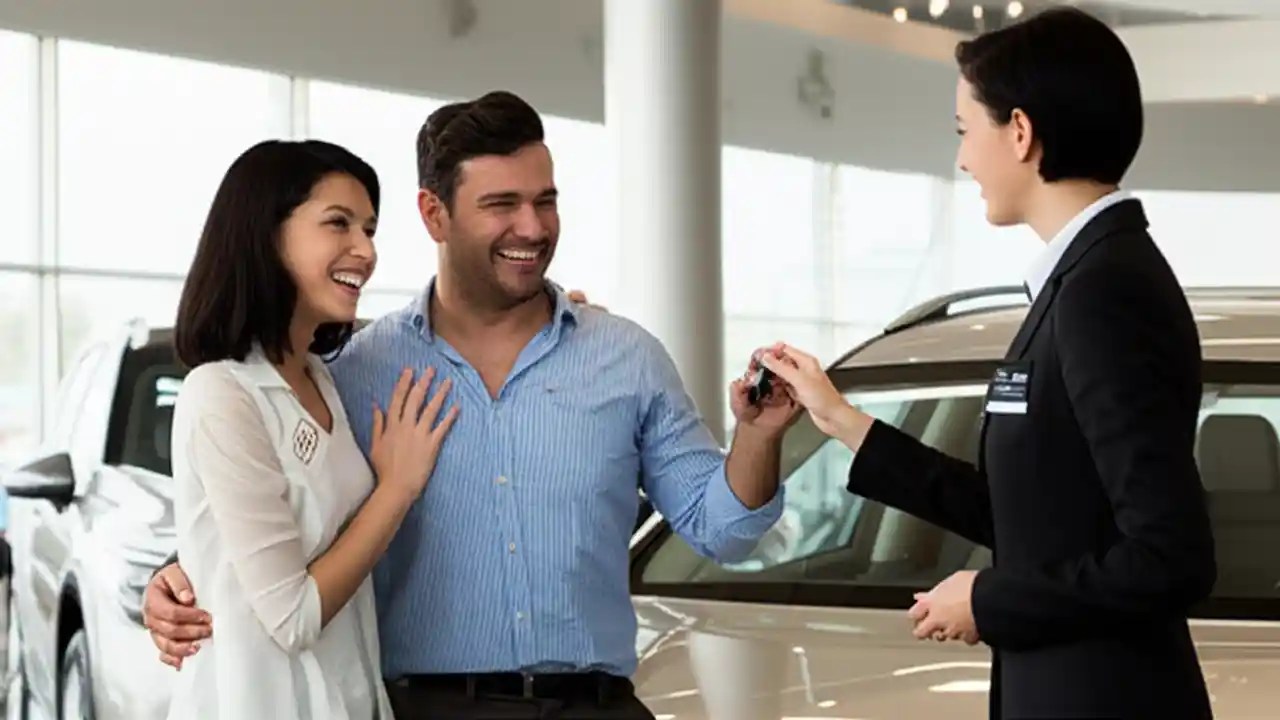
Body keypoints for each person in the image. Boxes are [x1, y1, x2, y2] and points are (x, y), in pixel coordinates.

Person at [145, 90, 798, 719]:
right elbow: (284, 510)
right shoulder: (356, 372)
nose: (532, 227)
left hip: (592, 705)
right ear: (434, 214)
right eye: (502, 204)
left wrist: (759, 438)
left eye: (546, 201)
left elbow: (725, 531)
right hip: (421, 706)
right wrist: (179, 575)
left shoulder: (625, 360)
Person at [758, 8, 1216, 720]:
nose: (964, 159)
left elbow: (1170, 557)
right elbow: (1033, 515)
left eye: (965, 132)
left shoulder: (1105, 292)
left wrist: (988, 597)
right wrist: (840, 420)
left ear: (1023, 133)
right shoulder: (1084, 282)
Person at [162, 139, 459, 718]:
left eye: (370, 229)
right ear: (266, 235)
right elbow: (291, 616)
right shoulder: (220, 393)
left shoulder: (321, 380)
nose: (365, 250)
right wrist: (396, 489)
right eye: (338, 223)